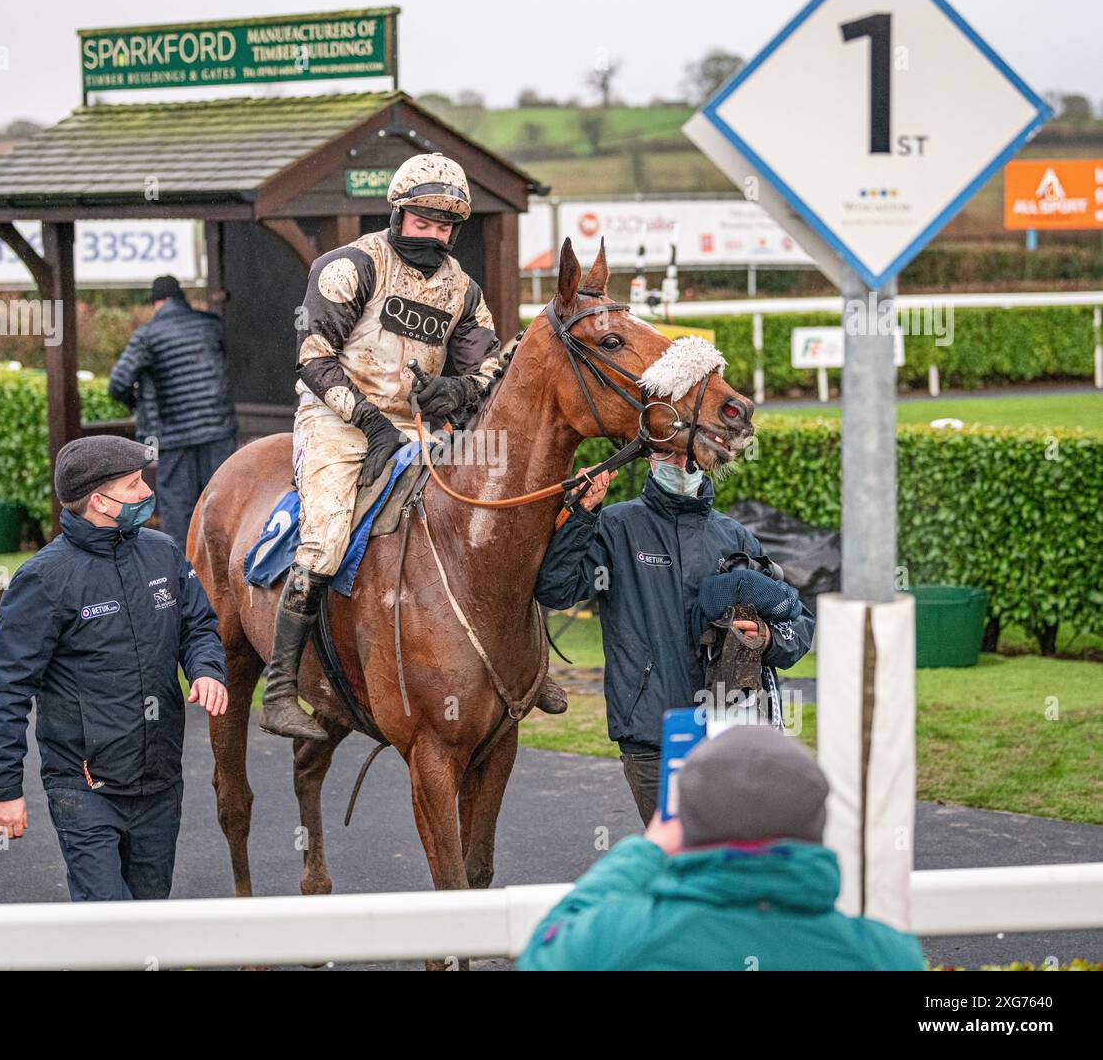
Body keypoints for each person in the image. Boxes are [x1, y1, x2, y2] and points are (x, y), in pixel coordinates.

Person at [261, 151, 567, 741]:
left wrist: (454, 389)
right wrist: (371, 421)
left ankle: (526, 663)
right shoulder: (347, 267)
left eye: (447, 225)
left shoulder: (464, 290)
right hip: (338, 420)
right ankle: (277, 687)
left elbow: (487, 371)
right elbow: (312, 358)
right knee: (324, 540)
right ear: (398, 214)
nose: (436, 234)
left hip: (418, 429)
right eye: (424, 222)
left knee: (502, 521)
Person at [0, 435, 229, 902]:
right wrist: (5, 790)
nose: (146, 493)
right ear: (99, 501)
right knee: (108, 926)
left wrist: (206, 670)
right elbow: (8, 691)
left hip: (159, 779)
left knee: (148, 922)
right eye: (134, 485)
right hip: (85, 787)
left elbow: (197, 626)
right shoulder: (43, 580)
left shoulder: (162, 552)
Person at [534, 437, 815, 825]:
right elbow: (556, 589)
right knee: (675, 857)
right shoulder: (616, 526)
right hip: (651, 733)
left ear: (705, 456)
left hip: (729, 730)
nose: (680, 461)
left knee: (731, 854)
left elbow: (797, 624)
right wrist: (582, 513)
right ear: (648, 454)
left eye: (689, 451)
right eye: (668, 450)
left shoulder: (734, 537)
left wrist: (766, 637)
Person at [516, 725, 926, 970]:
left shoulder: (616, 943)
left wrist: (646, 850)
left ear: (684, 827)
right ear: (818, 823)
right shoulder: (886, 955)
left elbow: (546, 949)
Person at [109, 275, 237, 546]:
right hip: (218, 430)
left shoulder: (147, 335)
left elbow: (118, 382)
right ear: (181, 298)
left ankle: (180, 574)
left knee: (178, 510)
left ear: (156, 302)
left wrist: (135, 402)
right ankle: (224, 571)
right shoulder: (211, 325)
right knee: (222, 502)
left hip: (175, 436)